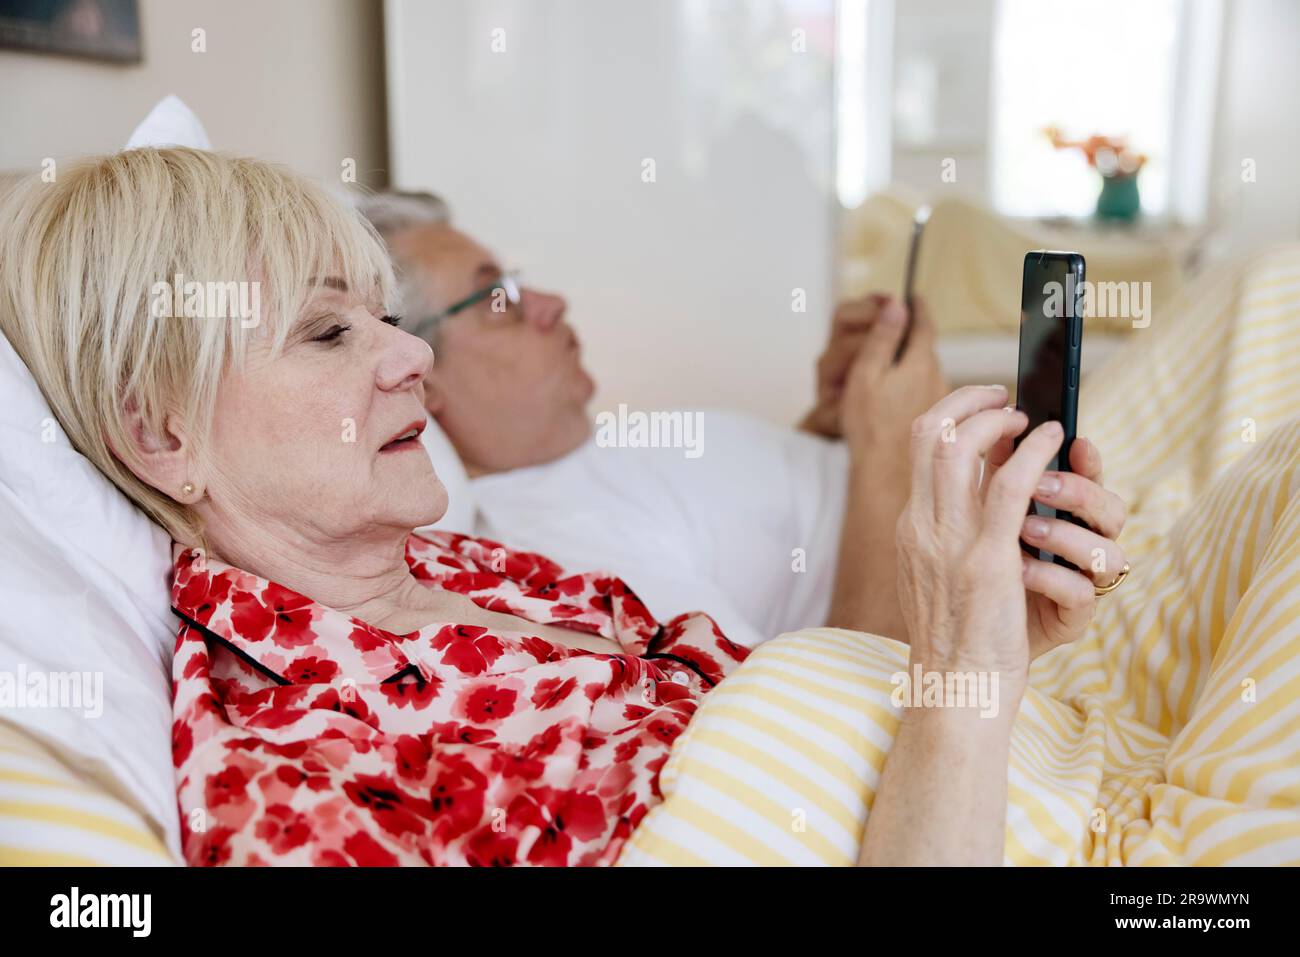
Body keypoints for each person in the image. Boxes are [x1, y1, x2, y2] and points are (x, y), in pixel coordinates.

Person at [0, 148, 1127, 866]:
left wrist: (998, 645)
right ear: (161, 436)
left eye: (387, 317)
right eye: (330, 332)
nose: (406, 359)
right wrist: (960, 674)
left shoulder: (478, 570)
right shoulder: (297, 767)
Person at [356, 191, 948, 646]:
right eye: (498, 302)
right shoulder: (556, 546)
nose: (551, 303)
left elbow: (767, 537)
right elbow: (817, 707)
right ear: (420, 375)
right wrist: (893, 446)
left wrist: (840, 418)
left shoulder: (589, 458)